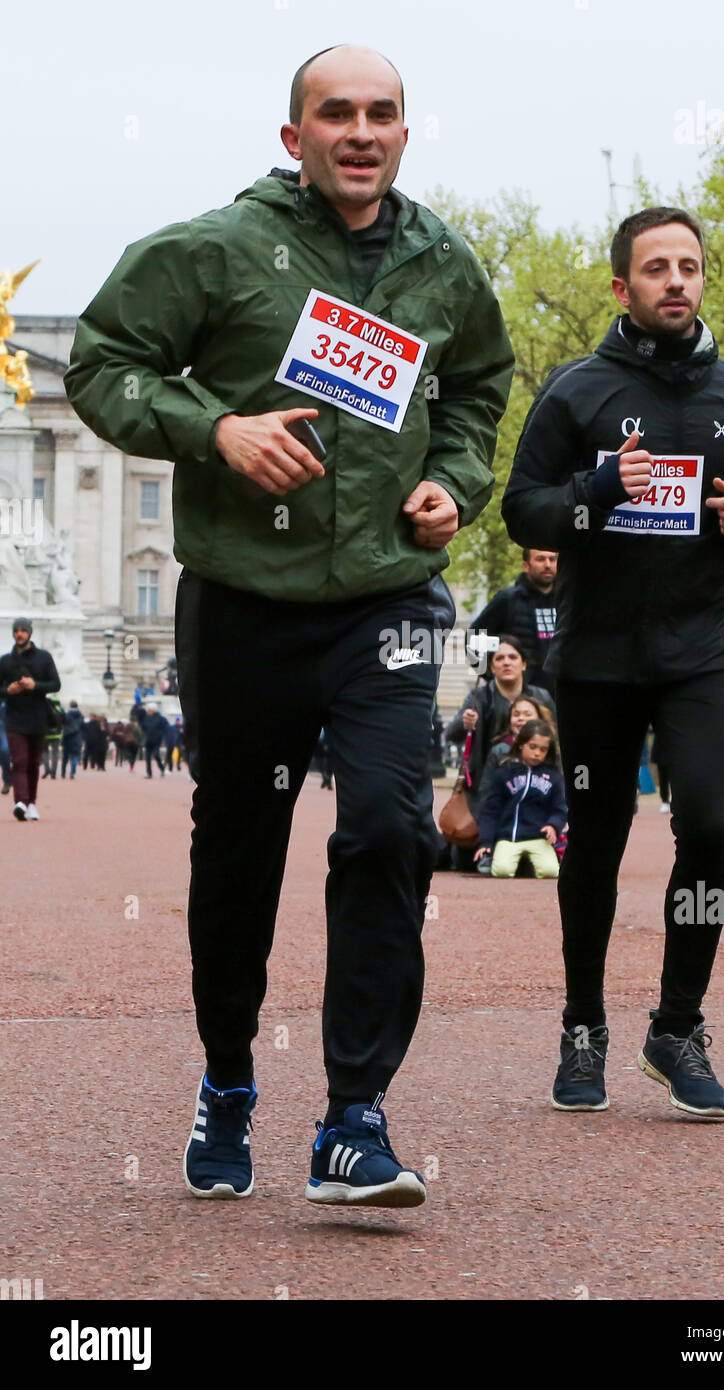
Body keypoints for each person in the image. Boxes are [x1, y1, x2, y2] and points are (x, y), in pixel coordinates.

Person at [65, 44, 513, 1207]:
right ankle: (225, 1079)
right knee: (239, 861)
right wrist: (214, 429)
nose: (360, 133)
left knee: (387, 830)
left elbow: (474, 389)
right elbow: (105, 366)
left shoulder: (443, 265)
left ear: (404, 134)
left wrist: (453, 486)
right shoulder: (212, 249)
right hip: (245, 606)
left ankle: (354, 1118)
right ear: (293, 137)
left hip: (382, 606)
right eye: (335, 114)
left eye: (382, 115)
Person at [502, 205, 724, 1119]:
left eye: (689, 267)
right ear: (623, 286)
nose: (676, 282)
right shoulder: (577, 391)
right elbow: (523, 510)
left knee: (709, 822)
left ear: (704, 279)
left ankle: (678, 1024)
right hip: (600, 657)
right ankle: (584, 1027)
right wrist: (595, 487)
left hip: (700, 654)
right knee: (601, 840)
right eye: (656, 268)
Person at [445, 636, 554, 822]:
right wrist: (466, 724)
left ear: (524, 664)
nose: (506, 663)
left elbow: (556, 739)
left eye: (513, 657)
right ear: (492, 667)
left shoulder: (541, 697)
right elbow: (451, 734)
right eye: (499, 658)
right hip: (484, 789)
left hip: (533, 786)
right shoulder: (479, 697)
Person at [474, 720, 568, 880]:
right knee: (502, 871)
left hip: (539, 836)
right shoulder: (504, 773)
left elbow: (560, 808)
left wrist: (553, 825)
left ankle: (530, 863)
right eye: (533, 747)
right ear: (521, 745)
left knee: (551, 871)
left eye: (543, 749)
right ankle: (515, 862)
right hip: (509, 836)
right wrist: (486, 842)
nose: (537, 753)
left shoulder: (554, 777)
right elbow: (491, 810)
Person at [0, 618, 61, 820]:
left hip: (38, 716)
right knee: (19, 760)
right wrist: (8, 690)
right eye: (16, 630)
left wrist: (35, 686)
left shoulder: (44, 658)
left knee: (33, 763)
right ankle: (20, 802)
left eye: (23, 630)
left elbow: (55, 684)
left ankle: (31, 803)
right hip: (15, 717)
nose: (19, 634)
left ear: (29, 633)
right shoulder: (5, 661)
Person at [469, 550, 558, 688]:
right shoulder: (507, 599)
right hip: (518, 698)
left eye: (552, 559)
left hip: (559, 695)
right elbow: (473, 639)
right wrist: (494, 677)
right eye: (540, 559)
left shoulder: (567, 601)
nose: (548, 565)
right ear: (525, 565)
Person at [140, 703, 168, 777]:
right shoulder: (146, 718)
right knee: (148, 757)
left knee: (155, 754)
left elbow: (165, 728)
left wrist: (162, 736)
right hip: (148, 740)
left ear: (153, 710)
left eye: (149, 710)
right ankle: (149, 773)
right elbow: (143, 727)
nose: (148, 711)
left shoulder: (161, 718)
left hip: (157, 740)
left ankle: (162, 769)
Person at [61, 700, 84, 779]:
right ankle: (72, 771)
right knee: (74, 756)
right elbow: (82, 727)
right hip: (77, 738)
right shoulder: (81, 715)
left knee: (65, 756)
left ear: (70, 706)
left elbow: (63, 726)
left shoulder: (67, 714)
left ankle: (63, 773)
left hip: (67, 737)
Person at [42, 696, 64, 779]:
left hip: (45, 735)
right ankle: (53, 772)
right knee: (55, 754)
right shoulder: (60, 710)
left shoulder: (44, 710)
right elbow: (65, 721)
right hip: (56, 735)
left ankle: (47, 769)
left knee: (45, 752)